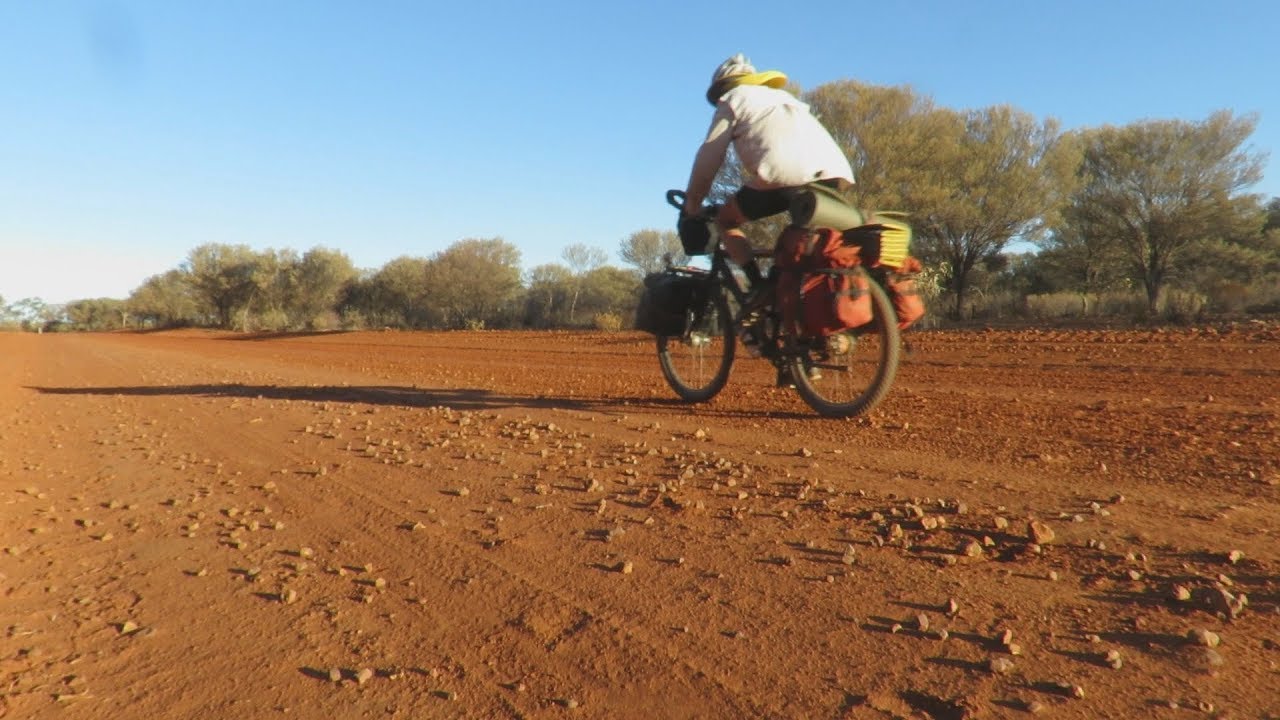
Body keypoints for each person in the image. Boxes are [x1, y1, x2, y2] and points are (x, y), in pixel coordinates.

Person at [681, 53, 855, 298]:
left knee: (725, 220)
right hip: (836, 173)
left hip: (786, 174)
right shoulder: (786, 98)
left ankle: (757, 287)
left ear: (722, 88)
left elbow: (710, 153)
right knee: (803, 237)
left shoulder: (732, 99)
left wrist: (694, 201)